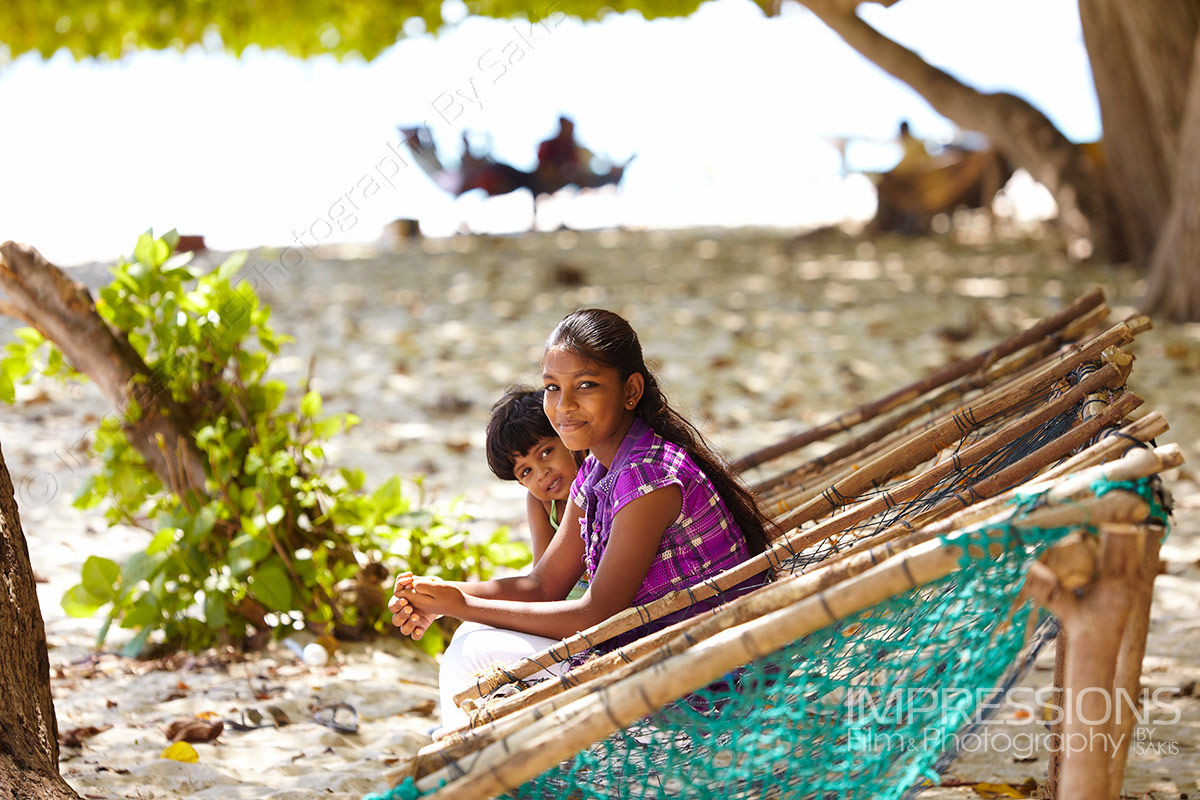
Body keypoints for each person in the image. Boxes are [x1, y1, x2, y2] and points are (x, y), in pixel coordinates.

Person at [390, 309, 771, 730]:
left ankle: (458, 774)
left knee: (472, 652)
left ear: (631, 391)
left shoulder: (648, 477)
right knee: (469, 638)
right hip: (650, 660)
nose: (563, 406)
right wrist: (443, 595)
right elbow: (543, 584)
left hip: (705, 690)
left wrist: (463, 606)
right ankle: (462, 762)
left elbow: (597, 617)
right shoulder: (595, 470)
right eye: (552, 387)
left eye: (585, 386)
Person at [485, 386, 587, 596]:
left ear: (568, 437)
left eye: (546, 452)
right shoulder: (541, 503)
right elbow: (540, 578)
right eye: (526, 471)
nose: (542, 473)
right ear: (521, 483)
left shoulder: (596, 485)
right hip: (560, 602)